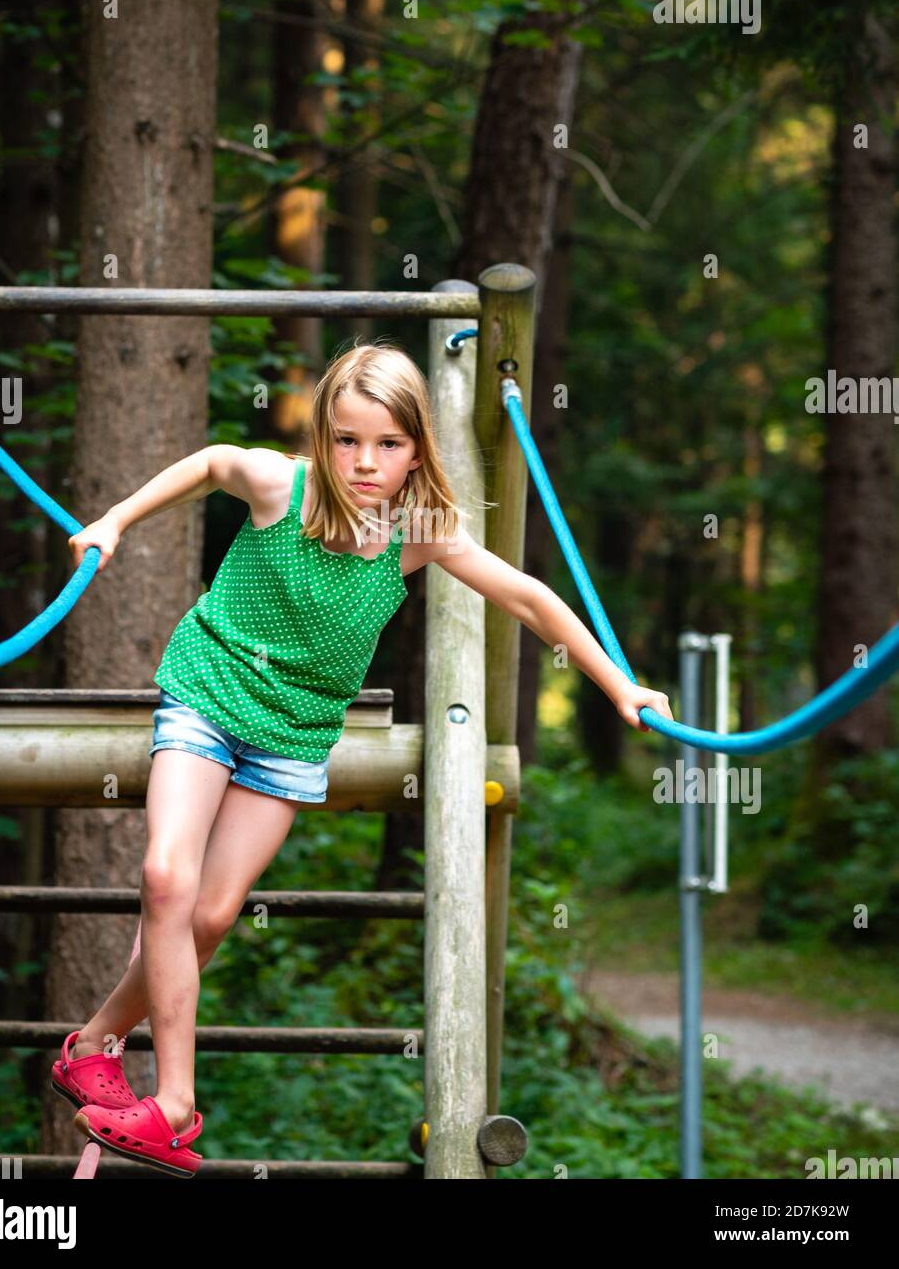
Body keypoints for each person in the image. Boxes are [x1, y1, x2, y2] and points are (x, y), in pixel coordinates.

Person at [55, 340, 674, 1176]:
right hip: (207, 692)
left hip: (291, 738)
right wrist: (115, 521)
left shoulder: (417, 536)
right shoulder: (283, 488)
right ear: (323, 439)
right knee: (168, 877)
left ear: (418, 447)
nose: (365, 463)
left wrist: (620, 686)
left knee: (210, 916)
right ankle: (174, 1102)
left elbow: (529, 597)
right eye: (347, 440)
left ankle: (91, 1043)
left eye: (388, 444)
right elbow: (210, 462)